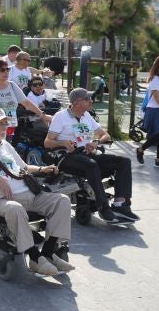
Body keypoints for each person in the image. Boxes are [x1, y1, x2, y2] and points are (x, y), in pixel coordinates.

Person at [0, 108, 75, 276]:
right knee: (15, 208)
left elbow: (23, 168)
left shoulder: (6, 145)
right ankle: (35, 258)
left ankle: (49, 253)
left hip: (27, 193)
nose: (4, 128)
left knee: (62, 201)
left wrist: (43, 169)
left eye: (5, 123)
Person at [44, 88, 139, 223]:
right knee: (91, 165)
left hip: (87, 154)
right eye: (87, 99)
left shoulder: (86, 116)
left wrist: (96, 142)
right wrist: (64, 142)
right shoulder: (60, 116)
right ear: (77, 102)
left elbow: (105, 135)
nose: (91, 101)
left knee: (123, 162)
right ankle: (103, 207)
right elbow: (47, 142)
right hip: (68, 157)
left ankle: (120, 205)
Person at [0, 58, 51, 137]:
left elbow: (26, 103)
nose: (6, 72)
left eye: (7, 69)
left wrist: (42, 114)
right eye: (2, 70)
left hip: (7, 131)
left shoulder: (12, 85)